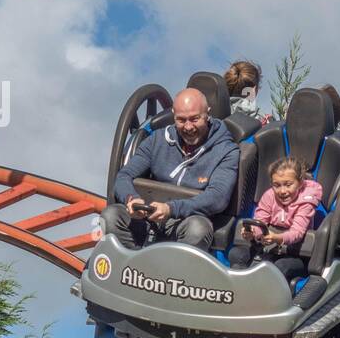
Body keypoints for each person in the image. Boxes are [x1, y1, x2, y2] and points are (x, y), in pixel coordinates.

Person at [102, 86, 238, 250]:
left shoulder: (226, 150)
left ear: (207, 114)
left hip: (187, 219)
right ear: (173, 115)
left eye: (195, 119)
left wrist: (171, 209)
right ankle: (132, 266)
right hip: (149, 215)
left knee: (197, 229)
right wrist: (131, 199)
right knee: (111, 215)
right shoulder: (157, 140)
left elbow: (218, 197)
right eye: (181, 120)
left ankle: (176, 273)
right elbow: (124, 176)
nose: (188, 127)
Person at [228, 157, 322, 284]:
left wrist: (277, 238)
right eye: (276, 185)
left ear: (299, 183)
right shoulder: (269, 196)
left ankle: (267, 296)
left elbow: (297, 233)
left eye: (288, 185)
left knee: (281, 266)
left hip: (295, 253)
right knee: (236, 254)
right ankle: (237, 285)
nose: (282, 191)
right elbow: (260, 219)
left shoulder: (306, 202)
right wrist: (252, 233)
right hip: (270, 247)